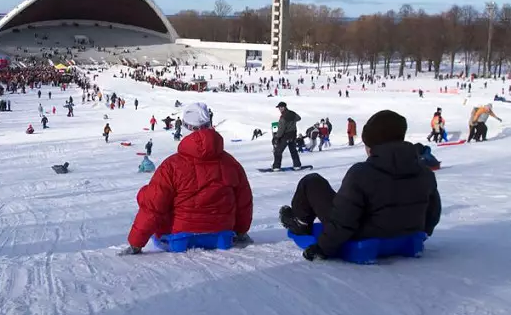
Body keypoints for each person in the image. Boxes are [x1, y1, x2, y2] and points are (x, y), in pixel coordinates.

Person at [279, 110, 442, 261]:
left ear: (371, 145)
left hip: (363, 236)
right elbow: (433, 212)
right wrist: (421, 232)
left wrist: (322, 248)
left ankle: (300, 223)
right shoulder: (424, 172)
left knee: (312, 181)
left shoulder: (361, 173)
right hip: (409, 234)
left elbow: (343, 221)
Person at [120, 102, 253, 255]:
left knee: (148, 194)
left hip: (180, 235)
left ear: (185, 128)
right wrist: (241, 232)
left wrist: (136, 243)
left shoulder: (171, 165)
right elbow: (244, 202)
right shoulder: (231, 163)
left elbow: (153, 207)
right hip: (222, 233)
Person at [272, 102, 302, 171]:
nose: (279, 109)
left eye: (280, 107)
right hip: (293, 135)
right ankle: (297, 165)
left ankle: (276, 167)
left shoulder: (283, 118)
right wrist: (292, 120)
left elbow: (281, 129)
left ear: (284, 107)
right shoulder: (292, 113)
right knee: (293, 150)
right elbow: (299, 118)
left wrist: (277, 137)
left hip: (286, 136)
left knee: (278, 151)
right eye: (279, 108)